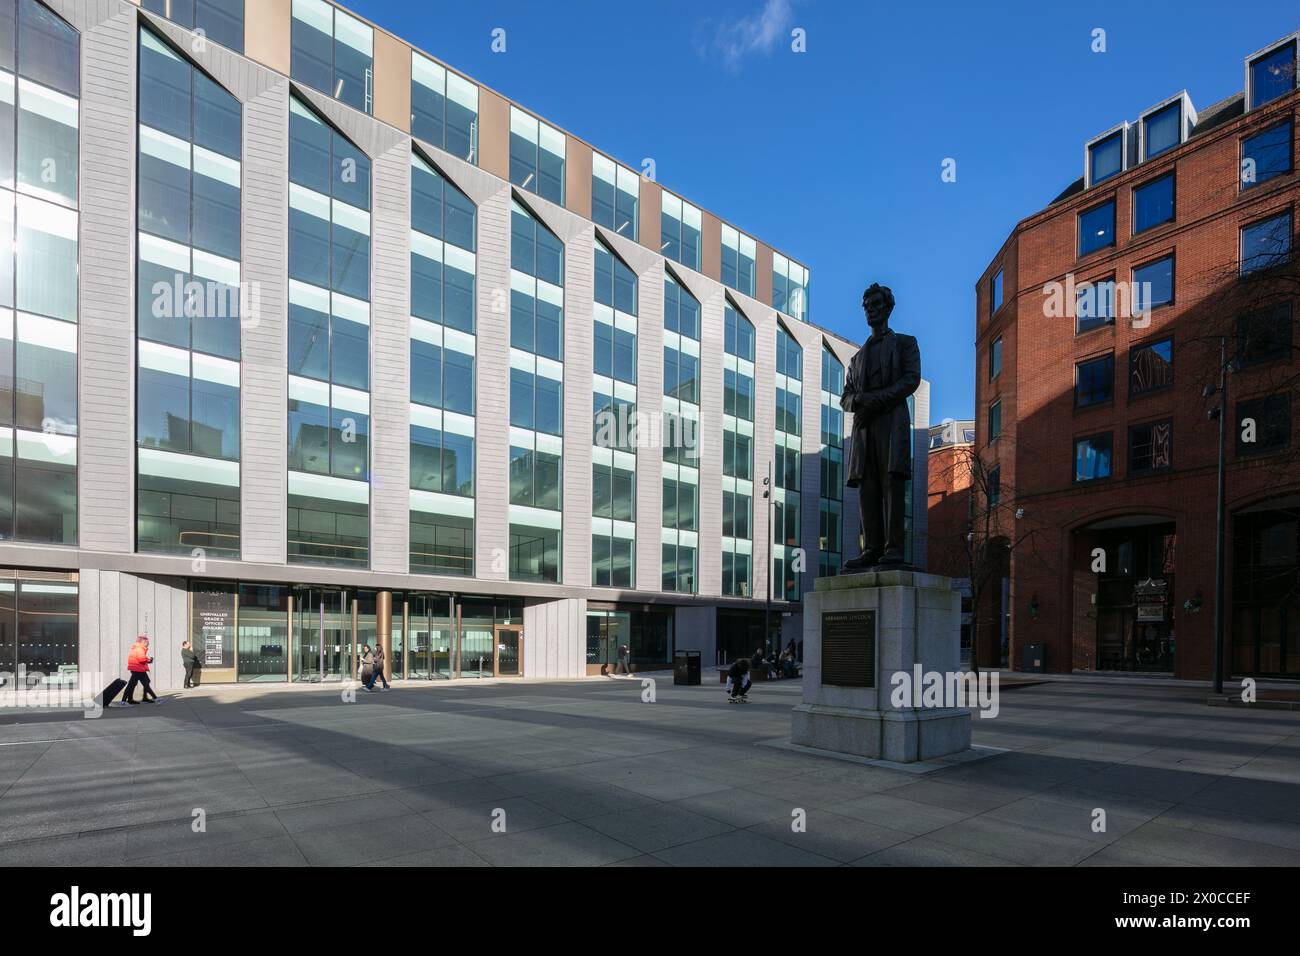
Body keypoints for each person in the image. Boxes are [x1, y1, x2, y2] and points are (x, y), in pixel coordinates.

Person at [123, 636, 157, 705]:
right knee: (132, 684)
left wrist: (147, 660)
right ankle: (124, 701)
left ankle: (132, 699)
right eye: (147, 642)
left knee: (142, 682)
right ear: (143, 642)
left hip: (137, 668)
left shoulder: (138, 648)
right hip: (137, 669)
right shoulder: (139, 649)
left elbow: (141, 657)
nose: (148, 643)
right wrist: (149, 660)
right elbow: (141, 659)